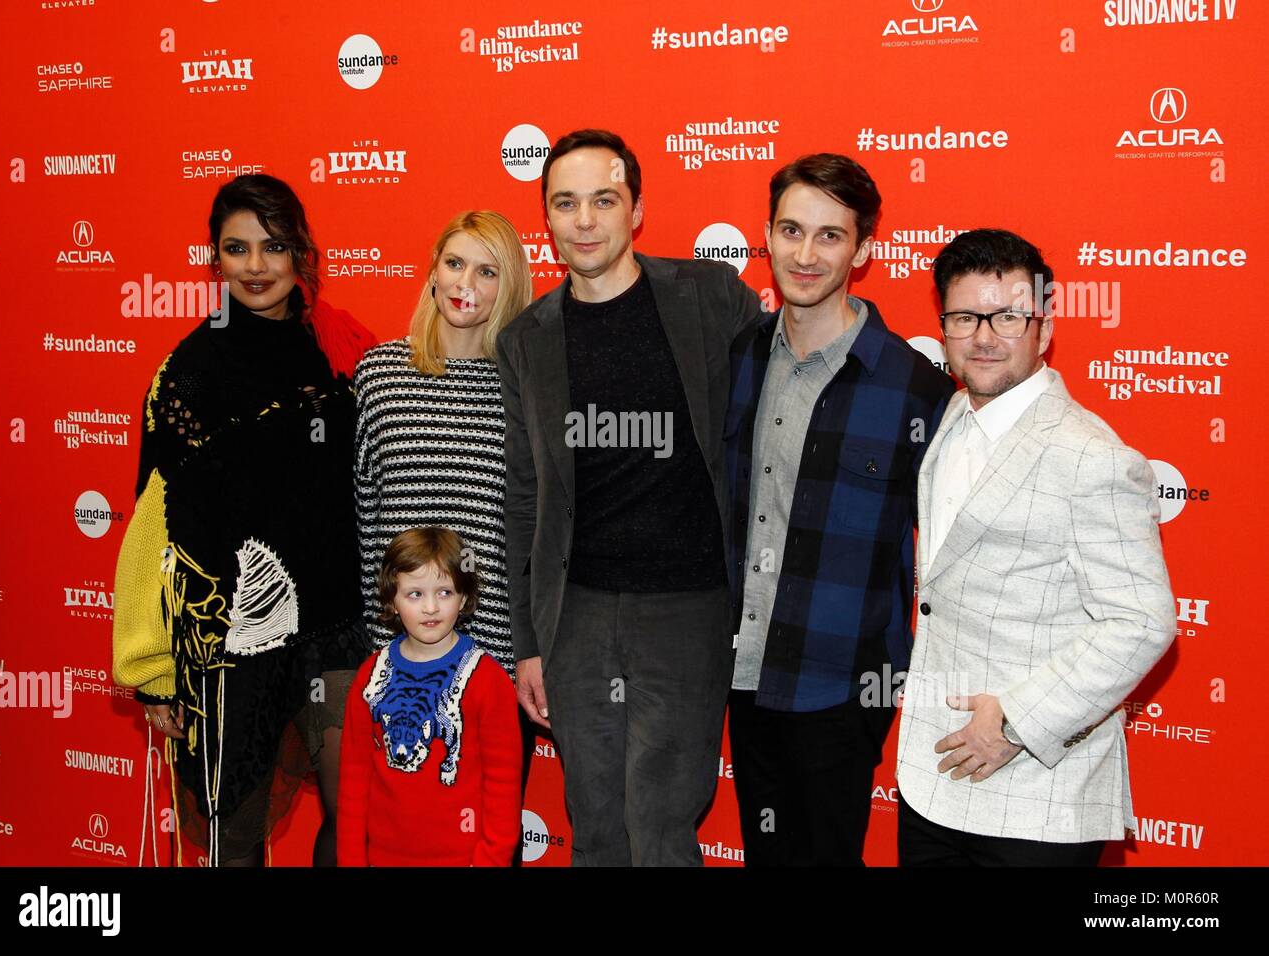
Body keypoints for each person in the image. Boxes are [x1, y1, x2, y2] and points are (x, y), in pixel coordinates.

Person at [497, 128, 763, 866]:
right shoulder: (527, 339)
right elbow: (523, 500)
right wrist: (528, 643)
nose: (584, 220)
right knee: (598, 829)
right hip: (577, 616)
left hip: (689, 609)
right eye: (565, 203)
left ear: (636, 210)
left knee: (661, 828)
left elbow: (782, 407)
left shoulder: (711, 299)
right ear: (546, 219)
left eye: (603, 200)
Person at [112, 173, 376, 866]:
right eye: (237, 248)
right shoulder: (186, 376)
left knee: (360, 828)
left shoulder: (343, 352)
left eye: (273, 245)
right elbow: (153, 530)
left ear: (301, 253)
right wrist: (155, 671)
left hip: (340, 631)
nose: (256, 266)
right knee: (232, 842)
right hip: (228, 648)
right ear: (215, 258)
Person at [895, 228, 1174, 866]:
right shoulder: (950, 419)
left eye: (1008, 316)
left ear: (1043, 330)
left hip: (1039, 801)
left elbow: (1141, 620)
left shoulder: (1092, 456)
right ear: (944, 331)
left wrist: (1017, 722)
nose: (985, 336)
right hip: (934, 779)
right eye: (965, 317)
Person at [724, 154, 955, 866]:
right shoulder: (742, 356)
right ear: (766, 236)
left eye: (830, 235)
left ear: (863, 250)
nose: (805, 253)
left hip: (843, 685)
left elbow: (946, 553)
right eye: (791, 230)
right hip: (745, 673)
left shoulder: (914, 388)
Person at [353, 210, 534, 785]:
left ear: (508, 287)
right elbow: (365, 518)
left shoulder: (526, 388)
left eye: (487, 271)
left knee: (488, 836)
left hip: (494, 663)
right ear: (432, 273)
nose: (465, 284)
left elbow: (534, 531)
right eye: (455, 264)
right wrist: (379, 653)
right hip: (396, 661)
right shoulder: (379, 373)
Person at [337, 527, 522, 866]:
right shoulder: (370, 677)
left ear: (464, 598)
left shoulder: (488, 680)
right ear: (392, 599)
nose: (431, 607)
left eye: (445, 592)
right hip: (384, 858)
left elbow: (503, 789)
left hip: (463, 859)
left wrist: (489, 861)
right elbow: (353, 781)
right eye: (415, 594)